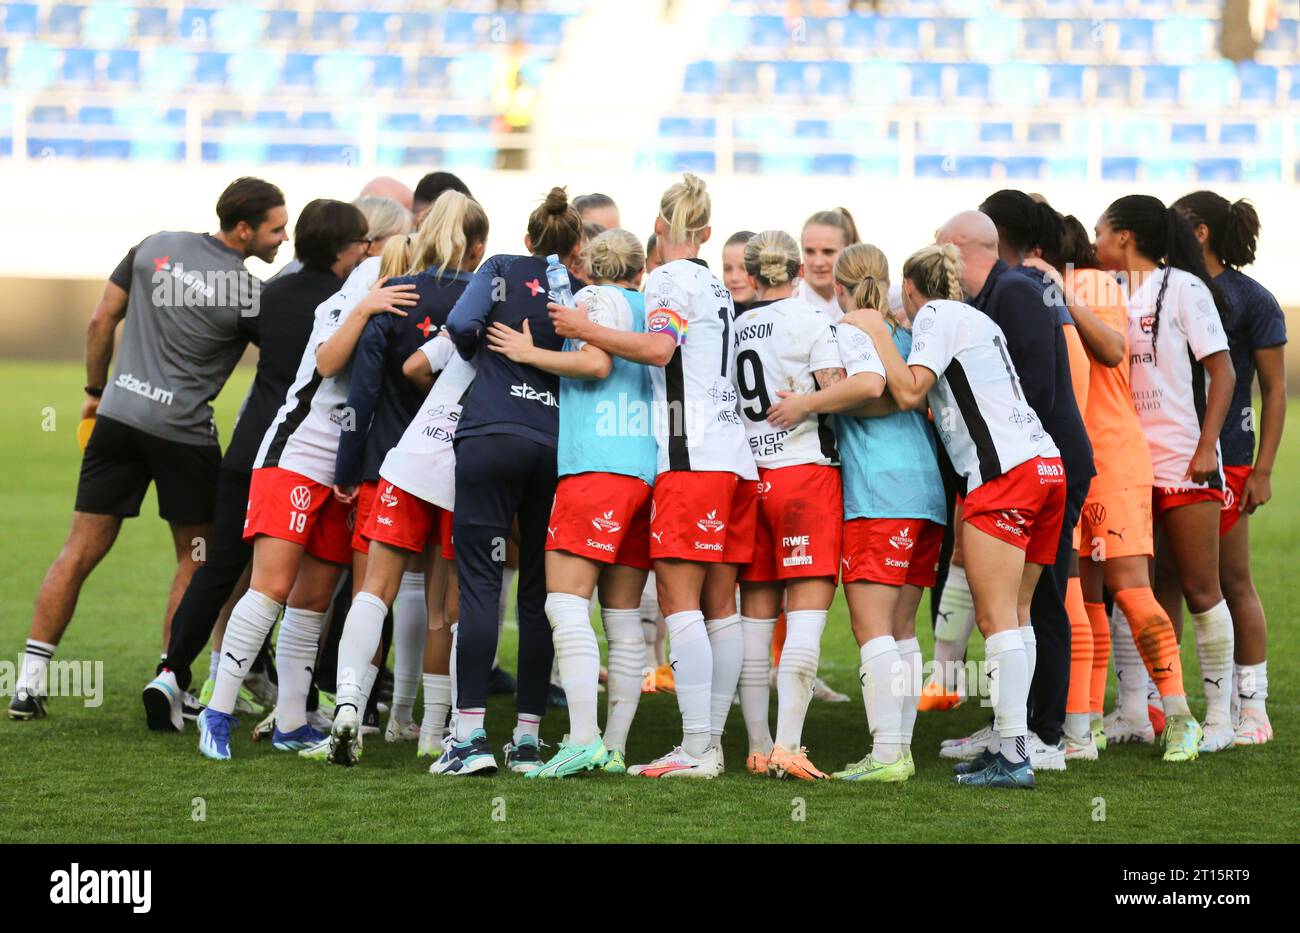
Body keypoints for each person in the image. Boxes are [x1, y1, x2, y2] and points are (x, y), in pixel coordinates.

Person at [10, 177, 288, 722]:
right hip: (183, 435)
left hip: (117, 417)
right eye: (277, 229)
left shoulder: (155, 244)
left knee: (79, 551)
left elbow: (100, 320)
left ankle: (28, 685)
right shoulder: (251, 294)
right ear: (243, 229)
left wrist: (94, 393)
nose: (284, 240)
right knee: (199, 557)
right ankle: (171, 678)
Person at [193, 209, 418, 760]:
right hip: (298, 450)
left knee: (314, 597)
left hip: (346, 463)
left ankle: (293, 719)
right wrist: (366, 307)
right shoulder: (361, 286)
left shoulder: (408, 291)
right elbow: (326, 360)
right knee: (270, 584)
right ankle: (216, 711)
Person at [552, 173, 757, 779]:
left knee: (680, 605)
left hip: (690, 460)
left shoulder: (666, 277)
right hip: (733, 461)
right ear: (709, 231)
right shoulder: (716, 285)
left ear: (660, 227)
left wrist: (585, 329)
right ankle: (709, 743)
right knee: (721, 609)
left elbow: (661, 349)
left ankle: (697, 750)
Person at [140, 198, 370, 731]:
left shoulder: (268, 295)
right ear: (342, 248)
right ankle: (296, 702)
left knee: (221, 566)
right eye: (361, 241)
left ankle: (172, 671)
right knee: (306, 587)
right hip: (305, 455)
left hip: (249, 448)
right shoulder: (342, 304)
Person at [843, 244, 1066, 790]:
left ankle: (1013, 757)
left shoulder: (938, 315)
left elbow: (910, 388)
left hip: (1004, 474)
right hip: (1044, 466)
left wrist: (874, 333)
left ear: (915, 293)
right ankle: (1016, 748)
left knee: (995, 620)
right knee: (1016, 614)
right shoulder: (977, 317)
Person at [1027, 213, 1202, 763]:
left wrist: (1061, 294)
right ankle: (1081, 728)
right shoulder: (1043, 289)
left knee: (1129, 588)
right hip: (1070, 461)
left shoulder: (1090, 282)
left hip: (1112, 458)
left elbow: (1109, 348)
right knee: (1082, 596)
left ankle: (1179, 716)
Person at [321, 191, 487, 763]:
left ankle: (348, 705)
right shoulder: (489, 299)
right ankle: (426, 727)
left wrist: (348, 469)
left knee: (376, 591)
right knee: (445, 602)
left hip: (394, 463)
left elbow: (360, 396)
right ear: (479, 244)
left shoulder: (393, 294)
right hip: (464, 463)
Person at [769, 243, 944, 782]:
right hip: (927, 495)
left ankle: (888, 754)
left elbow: (864, 389)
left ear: (839, 288)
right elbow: (907, 396)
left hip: (878, 495)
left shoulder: (847, 330)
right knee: (903, 628)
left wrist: (803, 403)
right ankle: (901, 749)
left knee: (872, 629)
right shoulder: (906, 335)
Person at [487, 228, 656, 777]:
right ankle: (613, 745)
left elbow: (595, 363)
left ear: (589, 266)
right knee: (624, 618)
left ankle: (581, 738)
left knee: (564, 603)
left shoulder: (589, 299)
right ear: (640, 269)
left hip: (594, 466)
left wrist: (527, 352)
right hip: (642, 468)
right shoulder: (648, 304)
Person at [936, 209, 1094, 771]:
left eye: (940, 250)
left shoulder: (1019, 292)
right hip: (1030, 465)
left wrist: (1015, 462)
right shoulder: (998, 296)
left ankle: (1046, 733)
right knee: (1021, 605)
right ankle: (1021, 729)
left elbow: (1039, 391)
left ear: (957, 249)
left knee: (1041, 599)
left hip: (1039, 467)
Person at [436, 187, 585, 776]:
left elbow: (460, 323)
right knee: (539, 595)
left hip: (489, 435)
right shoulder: (577, 288)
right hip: (553, 444)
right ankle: (526, 739)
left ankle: (469, 737)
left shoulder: (498, 265)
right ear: (575, 246)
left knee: (479, 586)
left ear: (528, 239)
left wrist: (485, 351)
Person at [1094, 194, 1238, 753]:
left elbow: (1223, 372)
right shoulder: (1104, 291)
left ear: (1125, 237)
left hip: (1184, 461)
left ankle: (1220, 719)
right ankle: (1136, 709)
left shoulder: (1184, 288)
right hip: (1129, 463)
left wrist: (1207, 448)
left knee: (1202, 588)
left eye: (1101, 231)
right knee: (1143, 590)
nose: (1095, 241)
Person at [725, 231, 855, 780]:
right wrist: (810, 401)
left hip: (751, 476)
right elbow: (839, 390)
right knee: (804, 620)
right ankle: (789, 745)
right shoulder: (812, 321)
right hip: (805, 476)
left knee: (755, 624)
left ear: (751, 274)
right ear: (799, 268)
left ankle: (756, 747)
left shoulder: (732, 329)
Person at [1172, 191, 1285, 746]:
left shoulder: (1249, 298)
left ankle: (1252, 707)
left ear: (1198, 232)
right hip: (1170, 457)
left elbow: (1276, 388)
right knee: (1164, 581)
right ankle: (1157, 704)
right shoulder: (1168, 290)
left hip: (1230, 460)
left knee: (1232, 581)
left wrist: (1262, 469)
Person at [794, 208, 859, 321]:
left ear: (848, 250)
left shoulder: (870, 297)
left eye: (828, 252)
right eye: (810, 251)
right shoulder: (789, 300)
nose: (818, 262)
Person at [721, 230, 757, 314]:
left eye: (744, 268)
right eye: (727, 269)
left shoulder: (786, 314)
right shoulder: (713, 315)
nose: (734, 277)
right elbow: (684, 326)